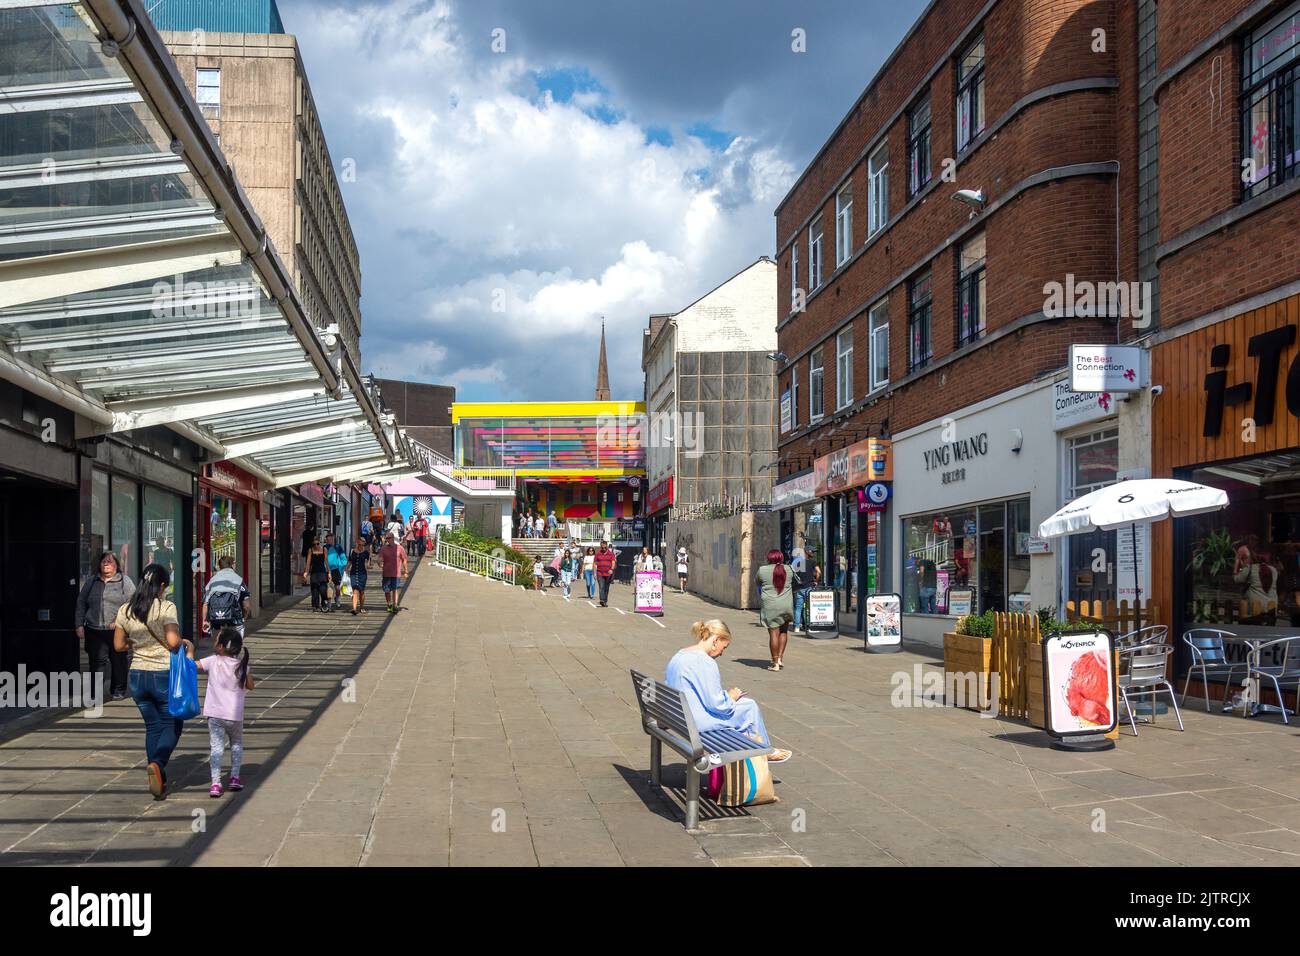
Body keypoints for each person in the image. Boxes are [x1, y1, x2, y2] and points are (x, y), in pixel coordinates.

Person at [113, 563, 192, 799]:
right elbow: (172, 641)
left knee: (152, 726)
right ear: (163, 586)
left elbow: (118, 645)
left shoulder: (126, 610)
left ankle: (157, 776)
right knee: (173, 723)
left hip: (137, 676)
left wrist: (137, 644)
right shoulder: (166, 607)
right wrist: (185, 642)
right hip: (162, 674)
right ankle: (157, 764)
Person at [665, 619, 791, 763]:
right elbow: (717, 705)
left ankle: (757, 751)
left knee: (745, 706)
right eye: (724, 647)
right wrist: (731, 697)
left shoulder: (681, 654)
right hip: (695, 722)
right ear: (716, 640)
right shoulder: (705, 662)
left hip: (677, 717)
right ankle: (763, 751)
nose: (722, 653)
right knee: (749, 707)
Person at [198, 626, 255, 798]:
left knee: (216, 748)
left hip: (215, 715)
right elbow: (251, 686)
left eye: (217, 640)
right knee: (236, 744)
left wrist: (189, 652)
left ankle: (216, 784)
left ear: (222, 646)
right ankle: (234, 778)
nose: (214, 641)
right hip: (234, 716)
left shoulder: (212, 661)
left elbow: (193, 666)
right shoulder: (241, 665)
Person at [75, 551, 135, 702]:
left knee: (118, 660)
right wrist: (79, 624)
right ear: (99, 564)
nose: (107, 564)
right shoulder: (91, 582)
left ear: (116, 565)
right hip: (94, 629)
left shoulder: (125, 581)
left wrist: (119, 619)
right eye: (104, 562)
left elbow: (133, 605)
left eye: (110, 562)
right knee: (96, 662)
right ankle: (94, 693)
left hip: (118, 630)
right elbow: (81, 603)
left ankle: (118, 689)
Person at [757, 549, 794, 671]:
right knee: (784, 631)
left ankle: (775, 663)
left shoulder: (762, 570)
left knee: (774, 632)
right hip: (786, 604)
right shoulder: (789, 569)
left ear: (769, 558)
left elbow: (757, 583)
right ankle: (780, 659)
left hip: (770, 605)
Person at [202, 554, 251, 638]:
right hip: (235, 618)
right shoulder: (238, 580)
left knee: (218, 645)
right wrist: (244, 618)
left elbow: (205, 604)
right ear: (232, 565)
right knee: (234, 646)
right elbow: (246, 605)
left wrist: (204, 621)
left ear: (220, 566)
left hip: (215, 618)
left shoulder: (212, 581)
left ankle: (219, 648)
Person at [380, 531, 408, 613]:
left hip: (396, 573)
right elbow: (380, 559)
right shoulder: (383, 548)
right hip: (386, 573)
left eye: (388, 538)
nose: (387, 540)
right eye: (386, 538)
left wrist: (406, 571)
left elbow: (404, 559)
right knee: (387, 590)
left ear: (392, 538)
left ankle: (395, 605)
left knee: (395, 589)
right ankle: (389, 604)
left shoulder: (399, 548)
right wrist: (379, 563)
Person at [304, 537, 329, 612]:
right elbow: (308, 563)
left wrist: (329, 573)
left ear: (320, 543)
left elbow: (326, 562)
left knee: (323, 589)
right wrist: (306, 572)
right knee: (314, 589)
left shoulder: (324, 550)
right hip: (314, 572)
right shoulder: (310, 550)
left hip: (322, 572)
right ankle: (315, 606)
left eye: (317, 544)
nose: (316, 545)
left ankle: (324, 604)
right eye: (314, 544)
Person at [349, 535, 371, 615]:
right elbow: (350, 561)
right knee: (355, 590)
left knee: (361, 591)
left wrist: (369, 565)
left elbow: (369, 561)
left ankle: (361, 607)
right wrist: (345, 570)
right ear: (357, 543)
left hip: (362, 574)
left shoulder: (366, 552)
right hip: (353, 573)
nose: (360, 546)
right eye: (359, 544)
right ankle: (354, 608)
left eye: (362, 545)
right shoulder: (352, 551)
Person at [325, 532, 347, 610]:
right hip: (327, 570)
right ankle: (329, 602)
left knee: (337, 587)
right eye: (328, 540)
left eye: (331, 539)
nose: (329, 541)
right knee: (329, 587)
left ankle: (337, 598)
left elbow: (343, 558)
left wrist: (342, 566)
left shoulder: (338, 547)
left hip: (336, 570)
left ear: (333, 540)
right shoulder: (324, 548)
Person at [594, 540, 616, 606]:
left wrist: (611, 569)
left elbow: (613, 562)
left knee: (606, 587)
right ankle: (602, 600)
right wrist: (595, 573)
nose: (603, 549)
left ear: (606, 546)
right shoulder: (598, 554)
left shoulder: (611, 554)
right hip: (600, 573)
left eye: (604, 547)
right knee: (601, 587)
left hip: (608, 573)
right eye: (602, 547)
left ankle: (605, 601)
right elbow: (595, 564)